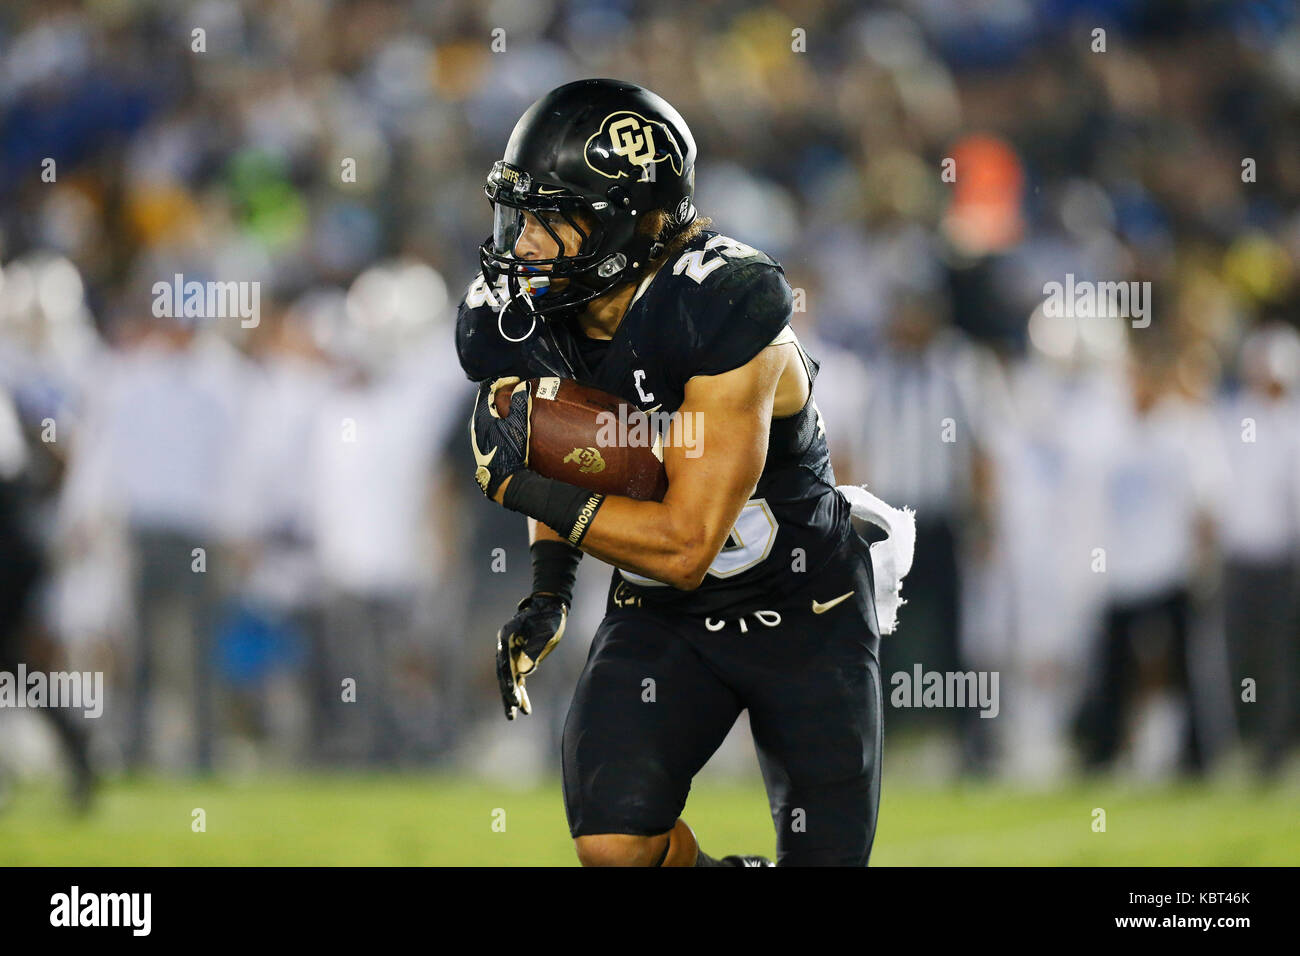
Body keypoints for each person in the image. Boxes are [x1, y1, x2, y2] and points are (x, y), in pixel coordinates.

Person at [457, 79, 898, 866]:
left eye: (551, 219)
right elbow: (575, 458)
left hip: (804, 609)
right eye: (521, 214)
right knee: (613, 846)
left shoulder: (724, 306)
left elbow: (690, 542)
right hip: (667, 613)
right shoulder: (529, 309)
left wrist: (520, 483)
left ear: (633, 221)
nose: (523, 242)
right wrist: (549, 588)